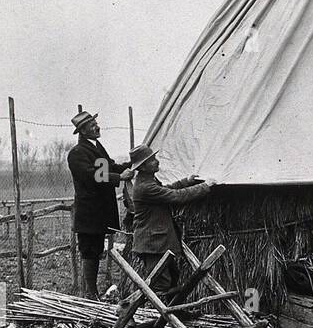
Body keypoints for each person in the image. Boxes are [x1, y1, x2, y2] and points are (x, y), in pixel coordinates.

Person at [124, 145, 215, 299]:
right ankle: (127, 306)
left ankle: (175, 312)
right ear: (144, 166)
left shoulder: (148, 181)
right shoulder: (145, 187)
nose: (157, 162)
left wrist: (185, 181)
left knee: (172, 278)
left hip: (158, 240)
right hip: (153, 243)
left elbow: (167, 190)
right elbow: (176, 196)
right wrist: (205, 186)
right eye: (152, 160)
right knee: (159, 285)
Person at [66, 111, 128, 299]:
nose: (97, 126)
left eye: (96, 123)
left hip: (99, 210)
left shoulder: (96, 147)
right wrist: (119, 177)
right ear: (83, 131)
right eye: (92, 125)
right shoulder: (77, 153)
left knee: (96, 249)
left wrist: (130, 166)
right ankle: (91, 294)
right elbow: (92, 175)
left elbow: (107, 167)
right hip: (89, 211)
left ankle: (92, 293)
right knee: (89, 251)